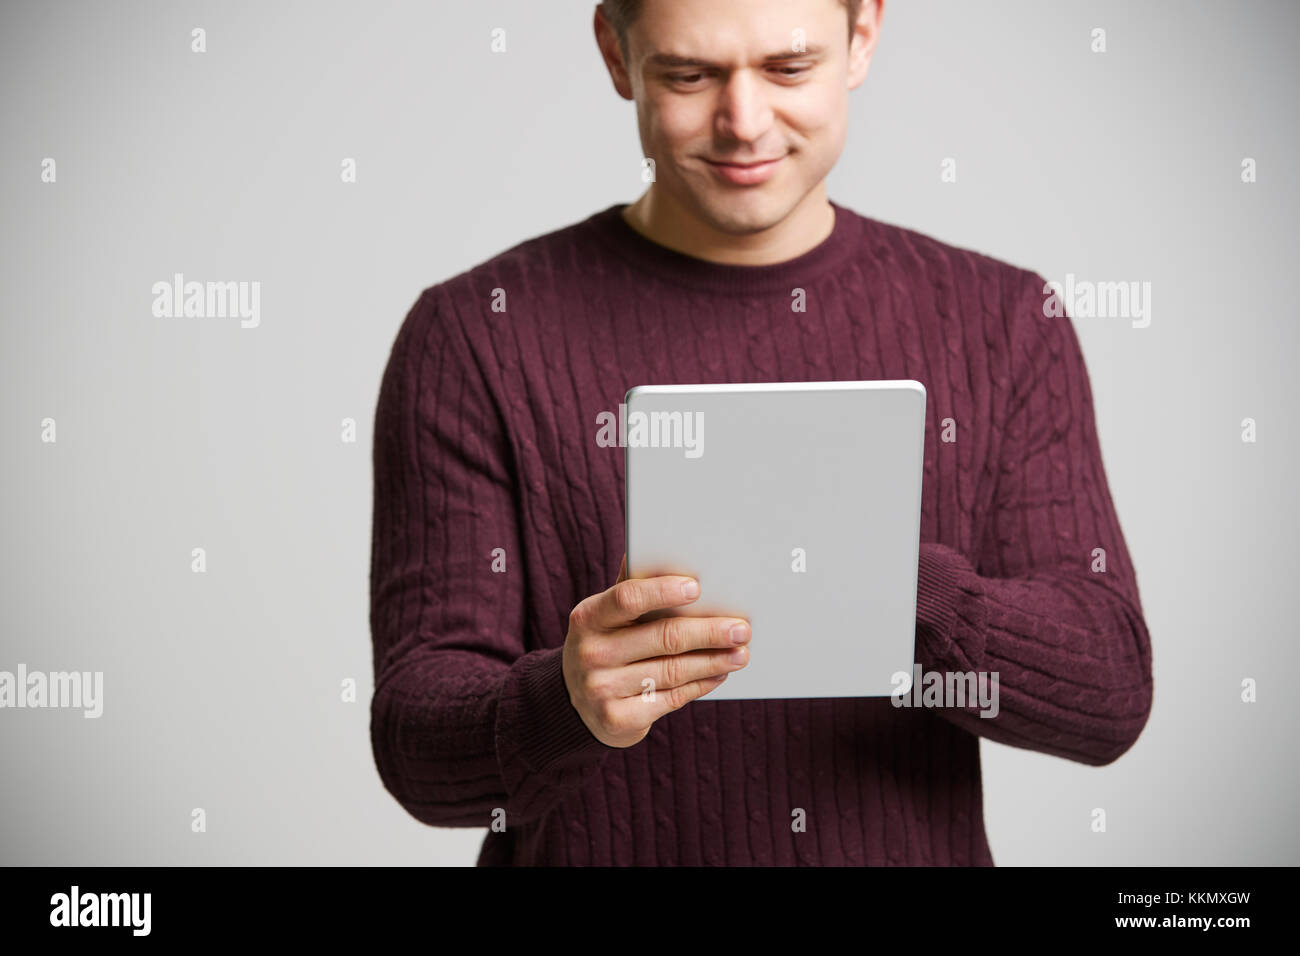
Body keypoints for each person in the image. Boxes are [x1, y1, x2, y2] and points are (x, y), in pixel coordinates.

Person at [367, 0, 1154, 866]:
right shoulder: (476, 333)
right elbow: (414, 740)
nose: (744, 124)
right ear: (615, 54)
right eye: (688, 74)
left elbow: (1109, 688)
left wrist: (908, 595)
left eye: (787, 69)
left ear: (863, 38)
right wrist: (564, 705)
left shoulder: (1004, 321)